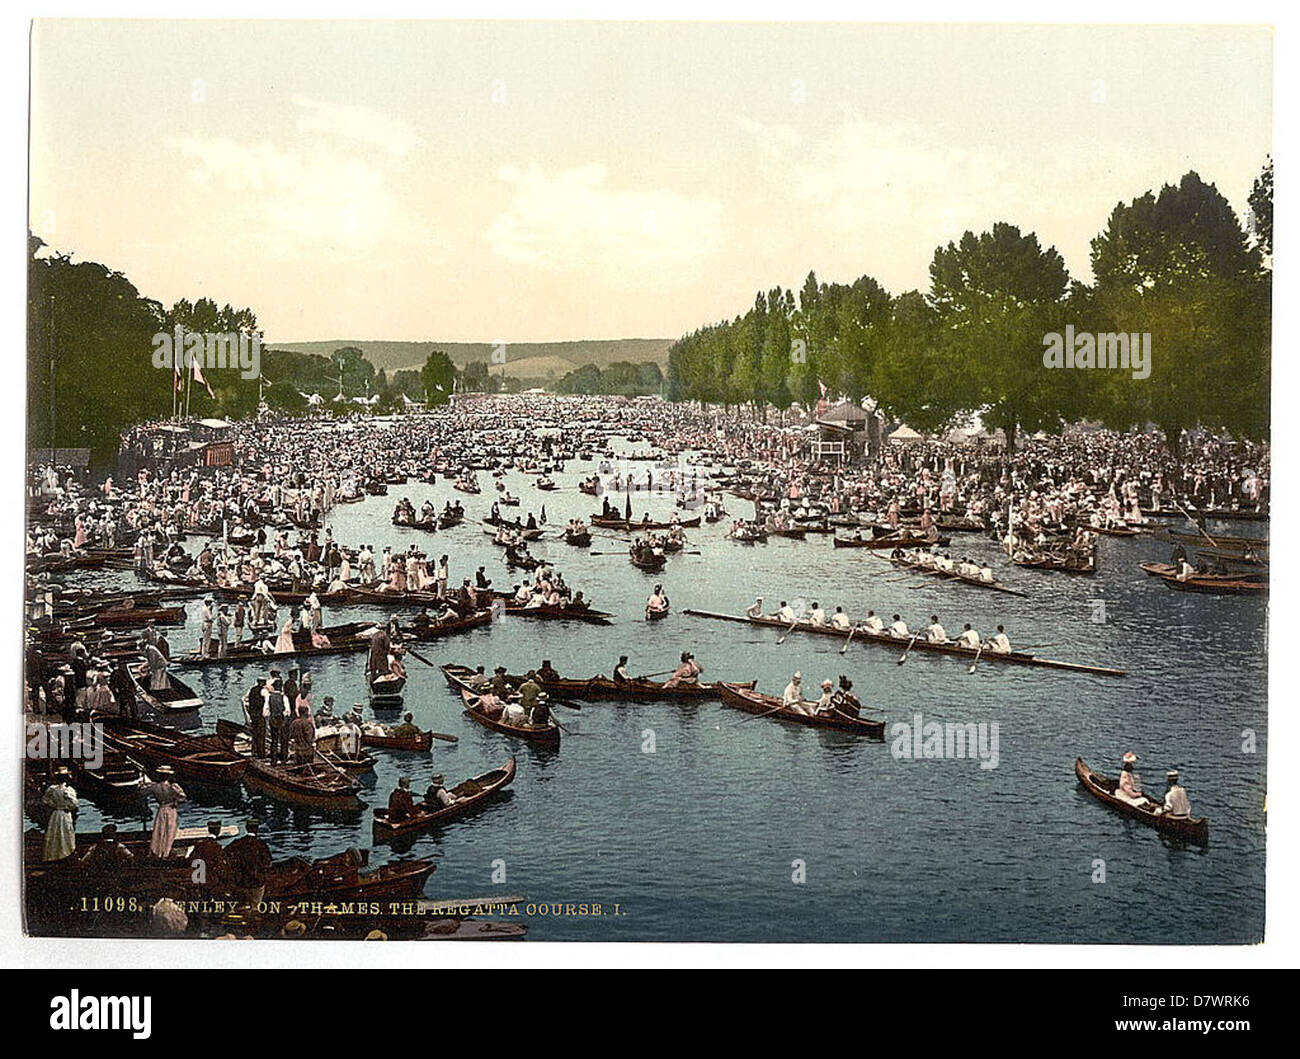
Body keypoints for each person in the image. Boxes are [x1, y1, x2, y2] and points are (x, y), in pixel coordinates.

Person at [140, 765, 187, 858]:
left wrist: (142, 783)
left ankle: (157, 851)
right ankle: (166, 852)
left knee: (160, 830)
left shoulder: (154, 786)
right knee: (170, 831)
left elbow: (142, 792)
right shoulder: (173, 786)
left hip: (161, 809)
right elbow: (183, 797)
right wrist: (176, 801)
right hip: (170, 809)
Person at [224, 818, 272, 907]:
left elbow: (225, 854)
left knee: (240, 906)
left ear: (246, 828)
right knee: (255, 906)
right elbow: (268, 863)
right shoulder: (261, 845)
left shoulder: (237, 843)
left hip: (241, 882)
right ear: (257, 829)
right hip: (256, 882)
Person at [40, 768, 78, 861]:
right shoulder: (68, 790)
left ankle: (54, 854)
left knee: (54, 833)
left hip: (55, 813)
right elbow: (74, 804)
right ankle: (66, 853)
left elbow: (45, 800)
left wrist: (54, 805)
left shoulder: (52, 789)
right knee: (66, 832)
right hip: (64, 813)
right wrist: (66, 807)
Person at [188, 820, 227, 891]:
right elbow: (220, 866)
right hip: (211, 880)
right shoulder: (217, 847)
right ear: (219, 831)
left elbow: (191, 860)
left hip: (198, 877)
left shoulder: (200, 844)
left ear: (208, 830)